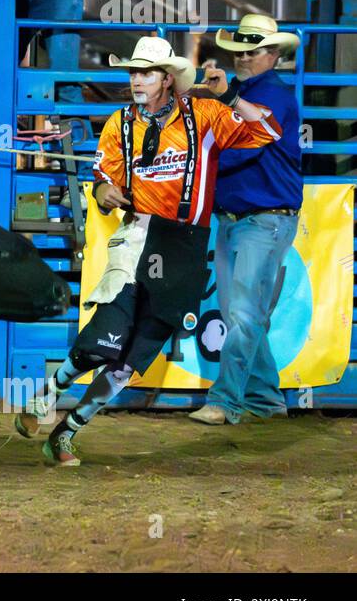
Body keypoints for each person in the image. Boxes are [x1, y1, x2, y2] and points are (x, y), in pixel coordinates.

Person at [15, 36, 286, 465]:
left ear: (166, 79)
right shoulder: (120, 122)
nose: (137, 80)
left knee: (134, 354)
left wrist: (230, 94)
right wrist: (104, 191)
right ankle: (45, 398)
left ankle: (68, 430)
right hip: (139, 236)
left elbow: (268, 130)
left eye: (145, 73)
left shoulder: (206, 115)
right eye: (133, 72)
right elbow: (105, 174)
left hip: (185, 245)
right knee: (105, 338)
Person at [189, 15, 303, 425]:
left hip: (262, 220)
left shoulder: (274, 96)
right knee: (243, 313)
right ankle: (266, 401)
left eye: (251, 52)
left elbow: (246, 141)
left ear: (273, 55)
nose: (242, 58)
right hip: (241, 219)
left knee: (242, 314)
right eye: (239, 52)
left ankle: (224, 401)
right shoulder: (247, 96)